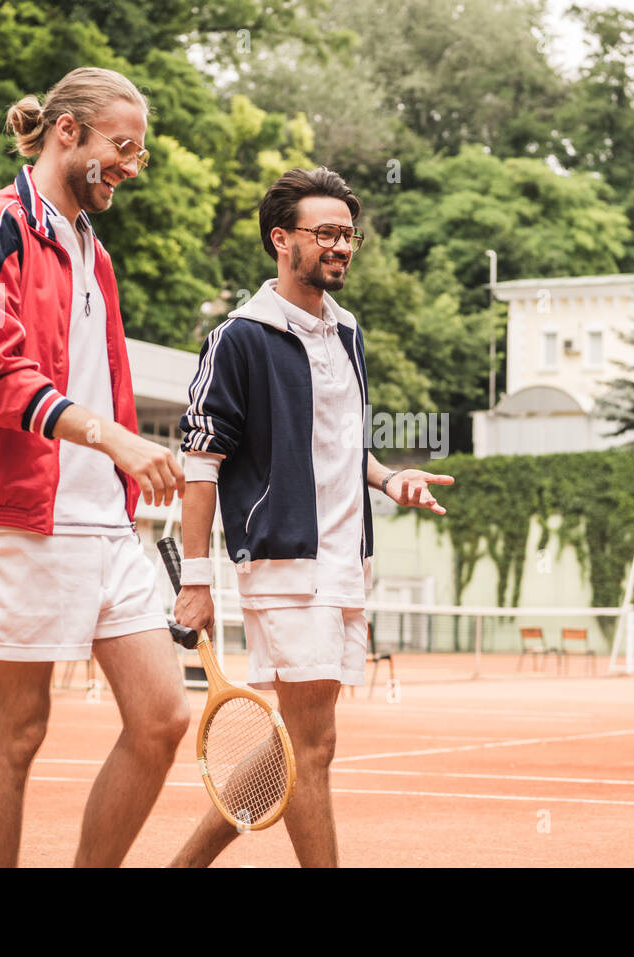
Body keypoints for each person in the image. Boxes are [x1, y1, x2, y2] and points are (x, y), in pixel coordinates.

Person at [0, 67, 188, 867]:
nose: (131, 166)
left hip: (104, 522)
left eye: (140, 155)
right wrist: (113, 438)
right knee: (15, 735)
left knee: (162, 719)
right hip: (14, 516)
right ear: (67, 131)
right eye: (123, 147)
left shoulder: (97, 255)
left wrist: (124, 465)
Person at [171, 167, 454, 867]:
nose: (341, 246)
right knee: (314, 744)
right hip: (282, 561)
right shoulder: (238, 337)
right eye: (325, 233)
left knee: (296, 741)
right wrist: (197, 578)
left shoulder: (348, 332)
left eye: (348, 234)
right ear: (281, 240)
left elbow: (339, 444)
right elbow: (201, 460)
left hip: (343, 562)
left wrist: (390, 479)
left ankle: (181, 866)